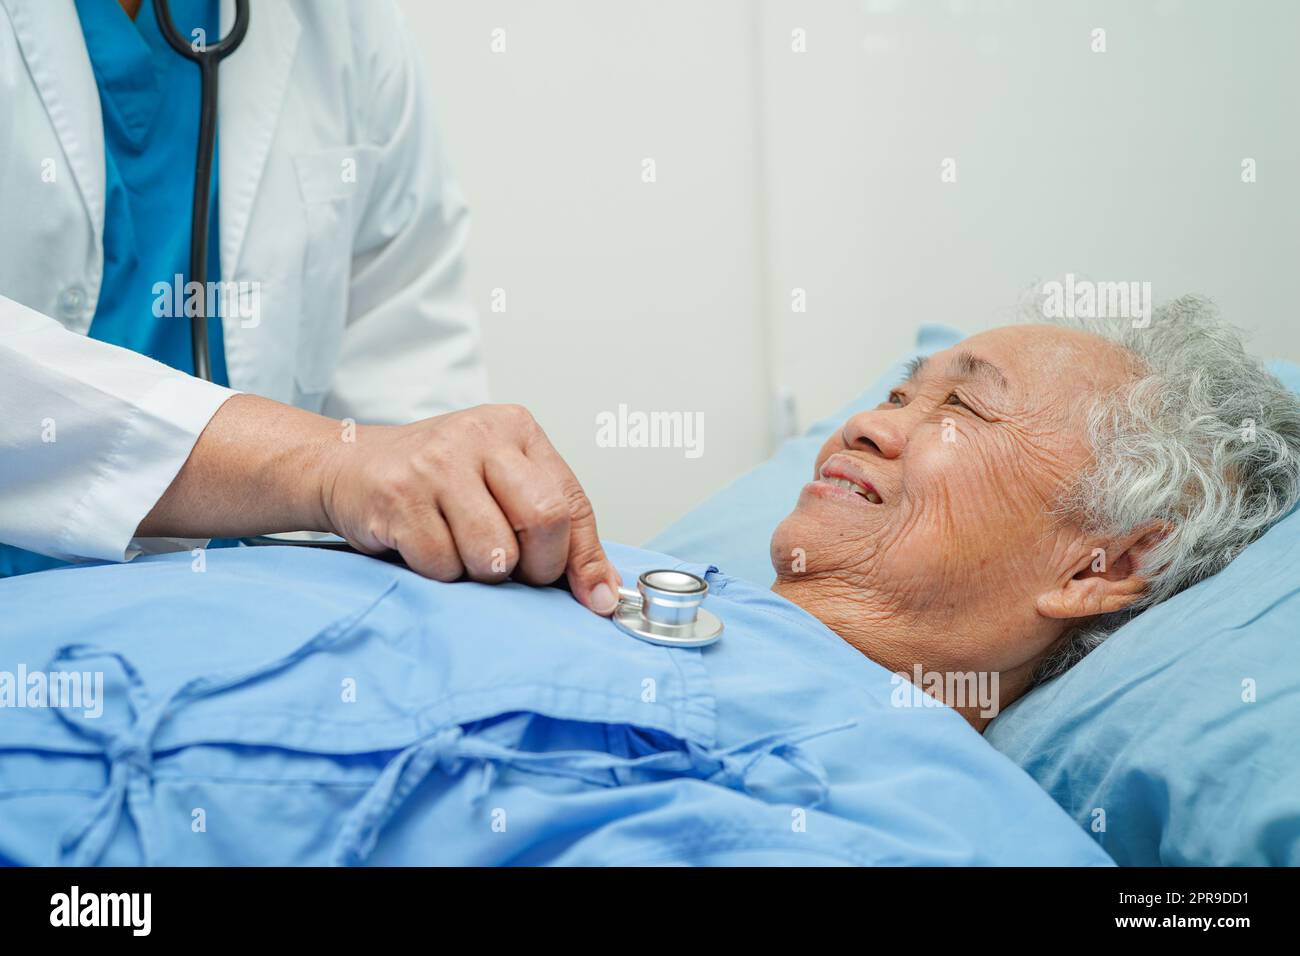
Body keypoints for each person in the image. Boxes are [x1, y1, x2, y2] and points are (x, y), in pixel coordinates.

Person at [0, 0, 621, 613]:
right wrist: (329, 466)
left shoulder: (348, 23)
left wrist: (455, 520)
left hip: (265, 623)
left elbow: (406, 354)